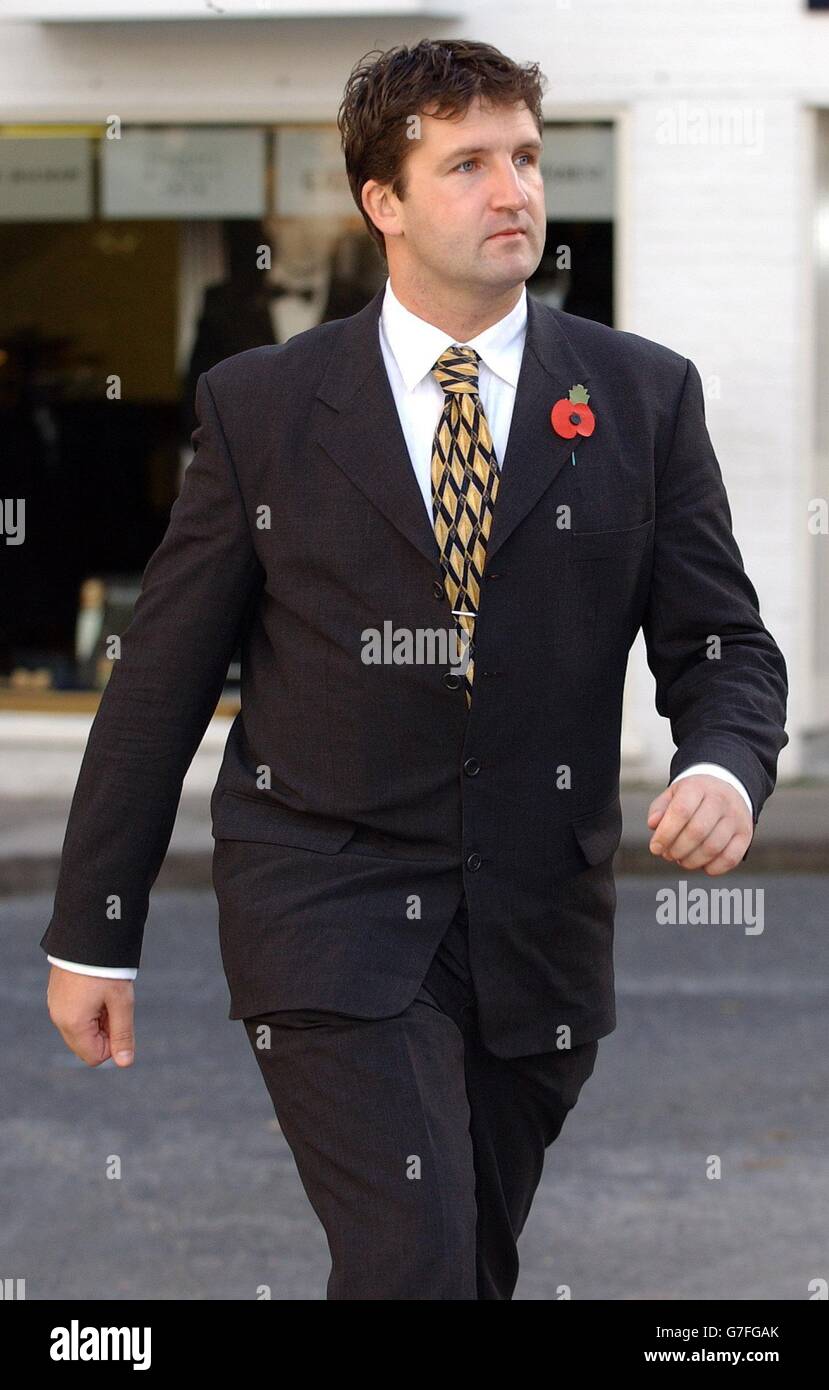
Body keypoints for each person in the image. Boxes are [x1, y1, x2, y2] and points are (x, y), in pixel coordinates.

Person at [42, 39, 788, 1300]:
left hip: (536, 929)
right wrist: (93, 934)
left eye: (528, 159)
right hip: (323, 907)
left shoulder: (640, 398)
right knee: (416, 1260)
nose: (515, 193)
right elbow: (158, 682)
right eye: (469, 165)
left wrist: (723, 759)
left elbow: (721, 644)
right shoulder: (262, 407)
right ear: (381, 202)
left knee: (466, 1265)